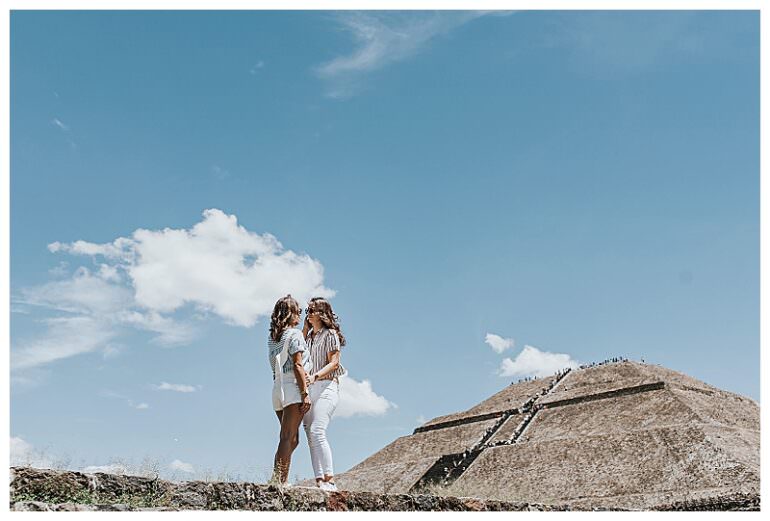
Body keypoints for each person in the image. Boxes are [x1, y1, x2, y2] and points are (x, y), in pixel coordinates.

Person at [301, 297, 347, 491]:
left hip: (327, 385)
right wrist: (305, 328)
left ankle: (330, 478)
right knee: (309, 434)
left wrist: (316, 376)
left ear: (321, 313)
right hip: (310, 388)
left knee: (317, 430)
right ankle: (319, 480)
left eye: (311, 311)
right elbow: (298, 350)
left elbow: (334, 362)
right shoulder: (309, 336)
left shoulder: (330, 334)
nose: (308, 314)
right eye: (307, 311)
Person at [268, 295, 312, 485]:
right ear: (291, 313)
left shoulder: (273, 338)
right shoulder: (295, 335)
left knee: (291, 439)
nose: (300, 315)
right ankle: (280, 482)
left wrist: (304, 331)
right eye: (299, 312)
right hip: (293, 387)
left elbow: (286, 350)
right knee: (287, 437)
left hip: (277, 388)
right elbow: (298, 365)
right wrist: (305, 393)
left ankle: (276, 478)